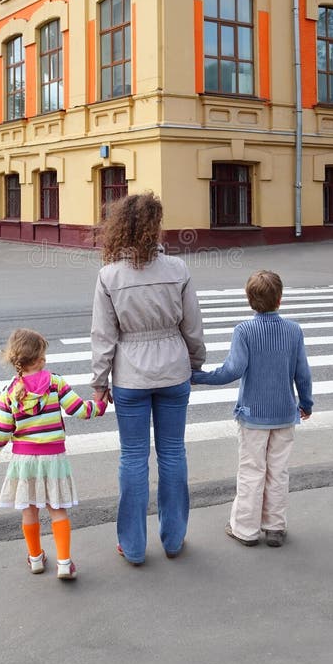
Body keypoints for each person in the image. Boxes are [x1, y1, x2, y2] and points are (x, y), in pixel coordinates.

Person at [90, 192, 206, 565]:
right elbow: (193, 327)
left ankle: (134, 547)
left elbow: (103, 336)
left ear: (119, 229)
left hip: (131, 377)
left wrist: (99, 383)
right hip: (174, 370)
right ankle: (173, 540)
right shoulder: (178, 270)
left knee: (133, 458)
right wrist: (196, 363)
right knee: (173, 453)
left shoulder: (109, 276)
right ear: (155, 227)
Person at [192, 270, 312, 548]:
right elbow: (302, 372)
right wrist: (305, 403)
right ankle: (274, 527)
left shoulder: (244, 331)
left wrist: (199, 376)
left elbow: (232, 370)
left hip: (252, 416)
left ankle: (245, 529)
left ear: (249, 300)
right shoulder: (293, 331)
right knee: (278, 471)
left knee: (251, 471)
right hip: (284, 414)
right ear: (280, 299)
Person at [0, 328, 107, 579]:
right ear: (41, 358)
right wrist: (100, 405)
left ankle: (36, 558)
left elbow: (1, 431)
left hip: (24, 460)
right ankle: (64, 563)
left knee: (29, 510)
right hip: (54, 458)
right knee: (56, 508)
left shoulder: (9, 391)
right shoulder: (55, 382)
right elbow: (79, 410)